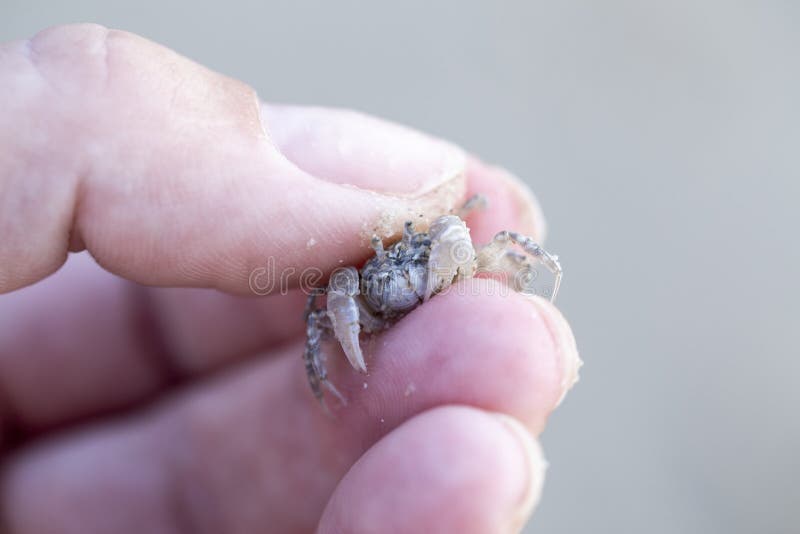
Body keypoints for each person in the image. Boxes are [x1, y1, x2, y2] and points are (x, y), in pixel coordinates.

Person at [0, 24, 580, 533]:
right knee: (324, 304)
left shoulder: (443, 252)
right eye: (389, 258)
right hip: (373, 312)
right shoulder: (361, 288)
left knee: (494, 279)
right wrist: (330, 360)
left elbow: (496, 243)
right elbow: (320, 312)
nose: (399, 268)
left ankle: (518, 314)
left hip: (441, 291)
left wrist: (518, 271)